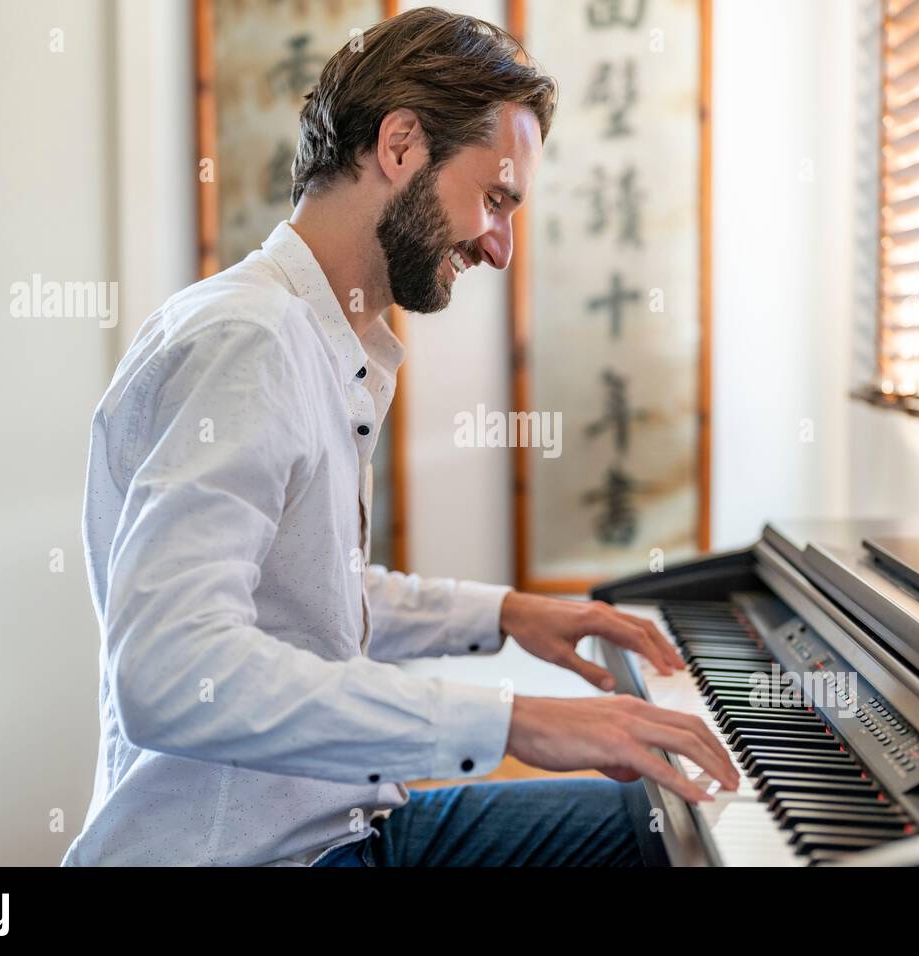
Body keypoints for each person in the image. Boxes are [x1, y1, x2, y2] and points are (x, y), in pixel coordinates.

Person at [62, 6, 736, 868]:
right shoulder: (249, 341)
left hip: (345, 824)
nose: (501, 247)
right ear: (402, 146)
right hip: (260, 856)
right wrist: (516, 721)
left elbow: (306, 603)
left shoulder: (314, 338)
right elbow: (170, 670)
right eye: (494, 199)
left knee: (666, 825)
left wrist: (508, 615)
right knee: (673, 837)